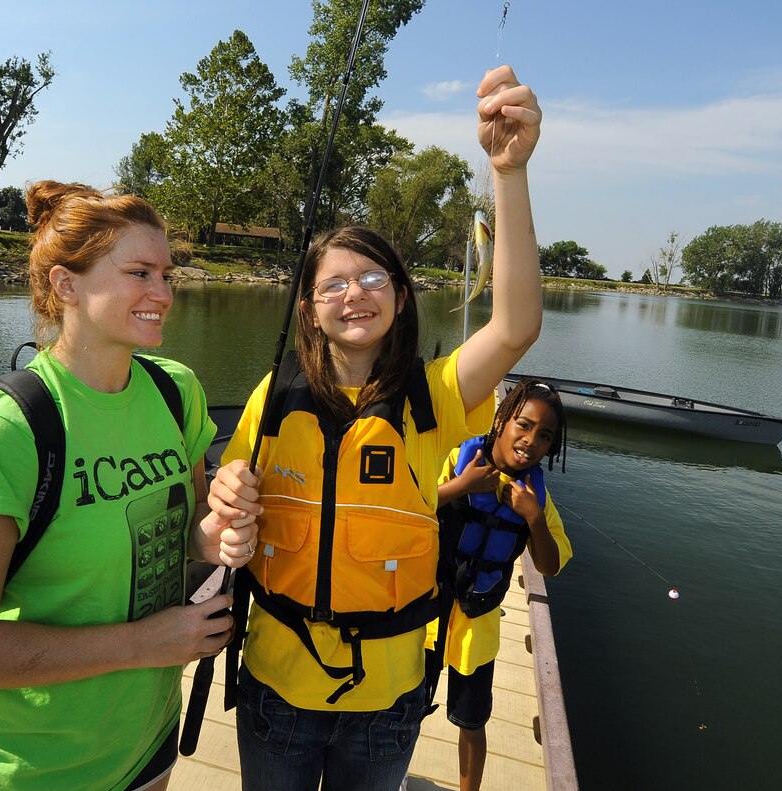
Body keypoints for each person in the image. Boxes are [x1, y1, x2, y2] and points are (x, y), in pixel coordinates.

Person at [205, 64, 543, 791]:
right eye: (332, 283)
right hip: (275, 689)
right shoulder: (274, 395)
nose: (353, 294)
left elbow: (515, 326)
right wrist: (226, 498)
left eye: (372, 278)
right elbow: (225, 508)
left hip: (386, 702)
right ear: (310, 308)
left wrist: (507, 172)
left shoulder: (438, 395)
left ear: (399, 295)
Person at [0, 180, 257, 791]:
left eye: (167, 275)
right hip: (37, 769)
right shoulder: (1, 434)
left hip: (148, 741)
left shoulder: (176, 392)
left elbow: (188, 530)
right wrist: (143, 644)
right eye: (140, 273)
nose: (163, 294)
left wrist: (219, 528)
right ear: (66, 286)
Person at [433, 378, 572, 791]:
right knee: (401, 704)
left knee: (471, 722)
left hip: (478, 622)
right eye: (523, 425)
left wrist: (532, 517)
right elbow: (408, 506)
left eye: (544, 435)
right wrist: (461, 486)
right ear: (500, 420)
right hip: (424, 608)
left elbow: (548, 566)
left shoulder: (536, 498)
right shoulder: (456, 457)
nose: (531, 440)